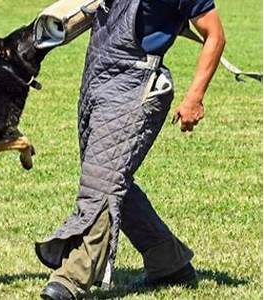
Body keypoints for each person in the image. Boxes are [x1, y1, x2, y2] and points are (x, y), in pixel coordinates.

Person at [36, 0, 226, 299]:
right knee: (107, 174)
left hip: (136, 84)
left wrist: (195, 98)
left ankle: (73, 276)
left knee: (103, 181)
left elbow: (214, 35)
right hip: (97, 78)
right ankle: (169, 261)